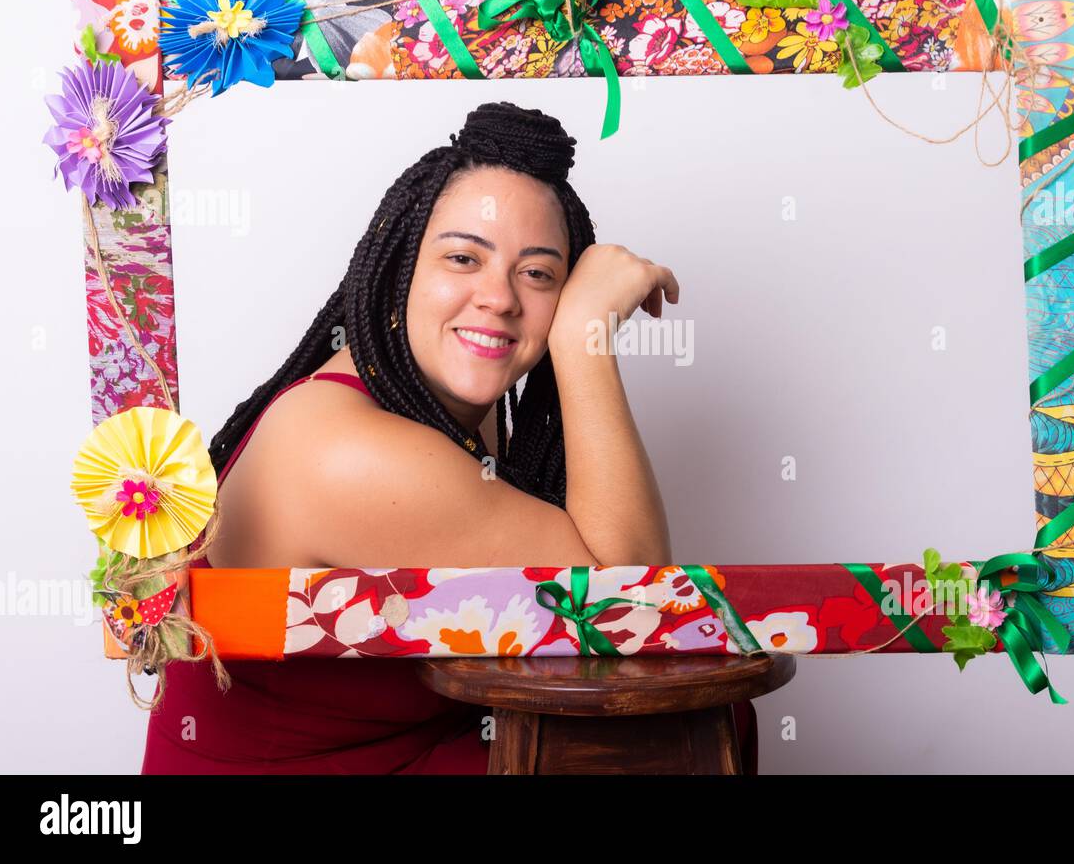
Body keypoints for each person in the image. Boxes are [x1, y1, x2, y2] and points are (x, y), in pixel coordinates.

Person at [142, 101, 759, 774]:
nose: (498, 297)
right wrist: (584, 339)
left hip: (400, 750)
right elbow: (636, 611)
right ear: (402, 263)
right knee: (668, 736)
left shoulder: (441, 399)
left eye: (539, 273)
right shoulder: (347, 450)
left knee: (691, 719)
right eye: (464, 257)